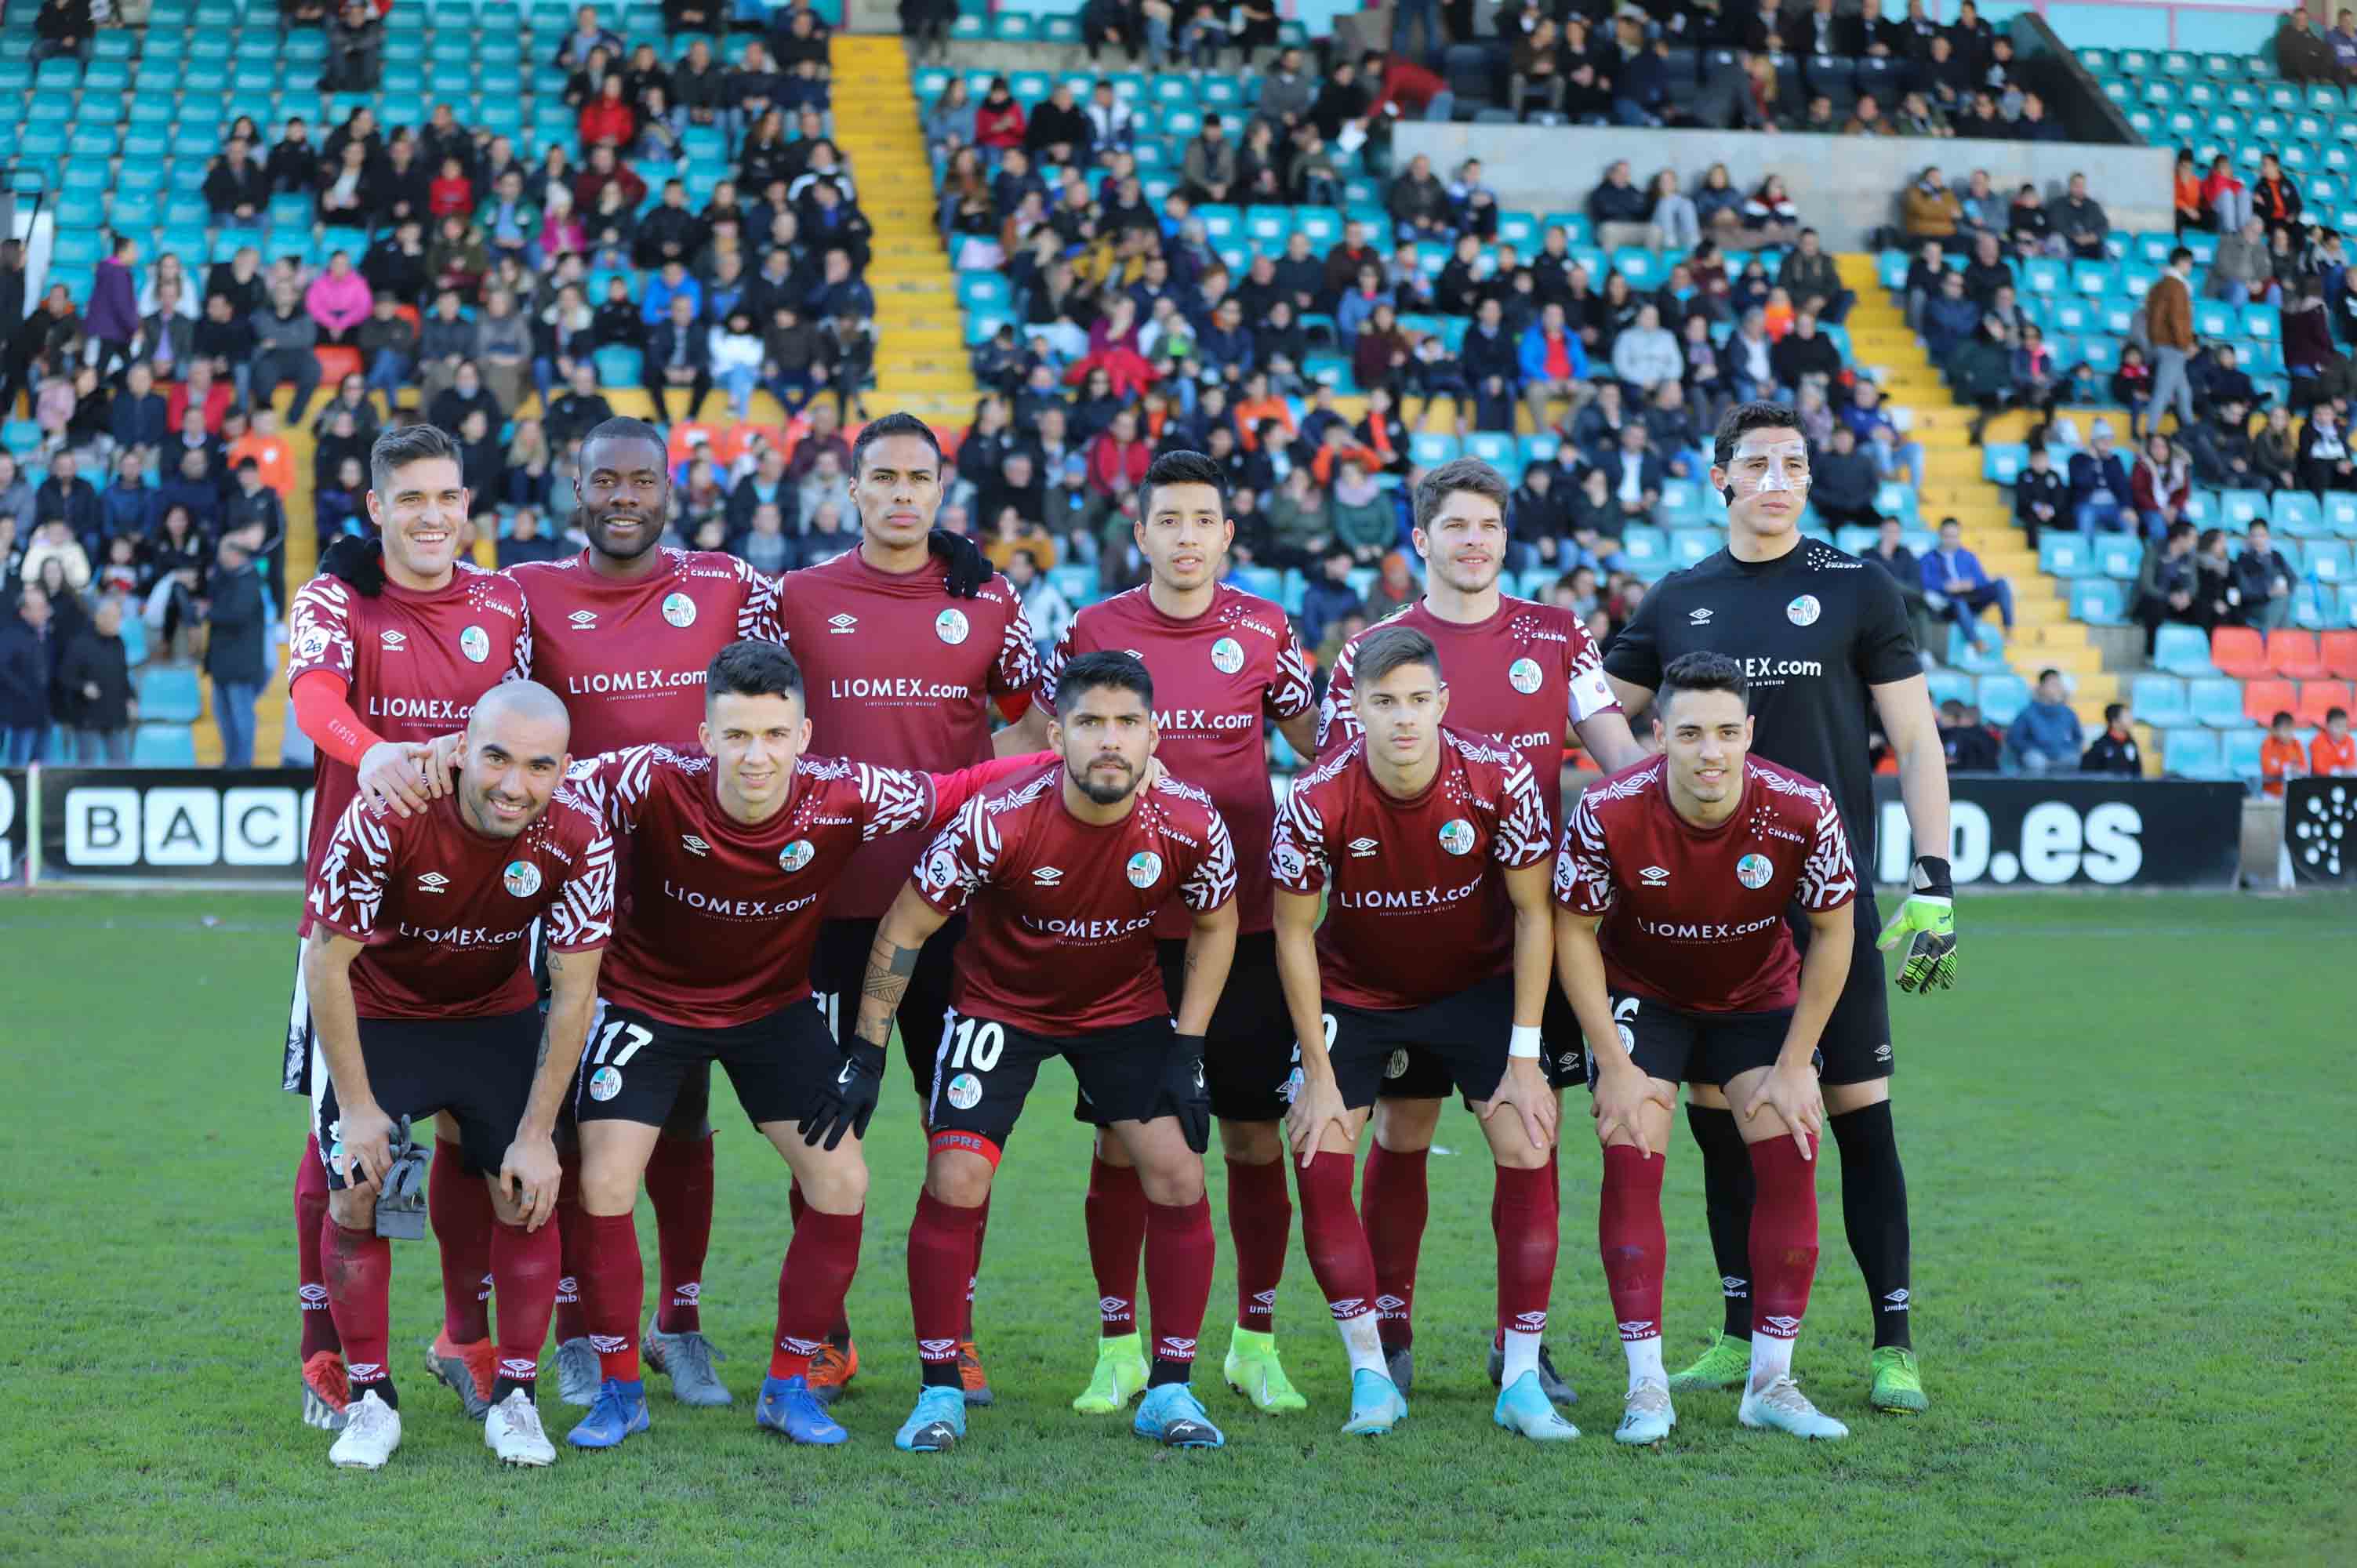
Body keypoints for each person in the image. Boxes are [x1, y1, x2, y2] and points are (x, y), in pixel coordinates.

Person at [558, 640, 1048, 1452]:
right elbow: (536, 776)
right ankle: (618, 1392)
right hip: (649, 1003)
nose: (757, 755)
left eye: (776, 735)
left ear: (805, 734)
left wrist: (1062, 760)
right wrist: (431, 760)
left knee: (842, 1178)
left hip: (769, 1014)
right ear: (705, 735)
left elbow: (957, 787)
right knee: (606, 1180)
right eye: (739, 735)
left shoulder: (845, 793)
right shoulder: (648, 776)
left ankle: (788, 1385)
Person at [1602, 401, 1952, 1417]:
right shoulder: (1679, 598)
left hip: (1827, 912)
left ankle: (1892, 1341)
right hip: (1708, 921)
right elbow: (1599, 716)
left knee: (1859, 1122)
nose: (1775, 477)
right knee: (1725, 1124)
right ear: (1719, 478)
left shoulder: (1857, 586)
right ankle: (1735, 1329)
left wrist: (1931, 887)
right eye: (1754, 462)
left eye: (1792, 462)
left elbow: (1916, 742)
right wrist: (1639, 804)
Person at [1317, 457, 1645, 1400]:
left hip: (1520, 948)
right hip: (1396, 944)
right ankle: (1392, 1330)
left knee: (1528, 1132)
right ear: (1420, 540)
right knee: (1404, 1129)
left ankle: (1523, 1347)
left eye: (1488, 528)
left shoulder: (1557, 633)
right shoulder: (1376, 648)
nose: (1474, 543)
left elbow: (1618, 759)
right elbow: (1345, 792)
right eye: (1455, 527)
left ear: (1506, 539)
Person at [857, 651, 1240, 1454]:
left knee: (1177, 1172)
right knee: (956, 1173)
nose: (1110, 740)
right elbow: (904, 926)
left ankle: (1169, 1387)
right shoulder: (997, 816)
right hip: (1000, 1004)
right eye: (1091, 722)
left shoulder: (1190, 819)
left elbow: (1217, 920)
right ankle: (938, 1391)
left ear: (1153, 733)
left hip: (1122, 1009)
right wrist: (866, 1048)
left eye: (1127, 723)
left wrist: (1191, 1044)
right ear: (1056, 731)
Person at [1019, 452, 1320, 1417]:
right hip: (1122, 929)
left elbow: (1325, 750)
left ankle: (1255, 1341)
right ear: (1140, 533)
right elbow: (1044, 746)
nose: (1187, 536)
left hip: (1244, 925)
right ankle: (1119, 1345)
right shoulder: (1096, 628)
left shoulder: (1267, 627)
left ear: (1228, 535)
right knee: (1123, 1141)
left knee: (1250, 1136)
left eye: (1205, 520)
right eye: (1169, 520)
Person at [779, 414, 1038, 1408]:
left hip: (955, 915)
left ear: (941, 489)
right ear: (851, 489)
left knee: (958, 1136)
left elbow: (1037, 719)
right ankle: (823, 1337)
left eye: (917, 478)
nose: (900, 493)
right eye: (881, 477)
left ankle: (953, 1334)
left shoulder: (986, 596)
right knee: (820, 1135)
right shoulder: (796, 597)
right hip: (821, 913)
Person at [300, 680, 615, 1470]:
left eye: (539, 766)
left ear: (563, 766)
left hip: (491, 1014)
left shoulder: (582, 831)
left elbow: (575, 989)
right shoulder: (392, 807)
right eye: (496, 758)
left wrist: (540, 1133)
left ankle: (514, 1396)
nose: (514, 784)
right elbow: (325, 961)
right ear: (461, 747)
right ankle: (372, 1399)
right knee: (356, 1185)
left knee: (527, 1191)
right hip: (379, 1013)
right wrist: (362, 1106)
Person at [1271, 625, 1568, 1441]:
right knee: (1322, 1143)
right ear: (1356, 707)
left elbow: (1534, 910)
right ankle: (1372, 1370)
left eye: (1416, 700)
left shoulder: (1498, 775)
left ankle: (1519, 1378)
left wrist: (1525, 1057)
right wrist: (1318, 1069)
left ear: (1442, 700)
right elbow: (1294, 933)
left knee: (1529, 1135)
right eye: (1383, 702)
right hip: (1358, 991)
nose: (1403, 718)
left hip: (1475, 987)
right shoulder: (1316, 793)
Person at [1556, 650, 1858, 1443]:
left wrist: (1797, 1063)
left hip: (1755, 997)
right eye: (1690, 733)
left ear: (1750, 733)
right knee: (1630, 1135)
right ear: (1661, 734)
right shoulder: (1609, 808)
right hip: (1645, 998)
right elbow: (1572, 932)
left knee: (1792, 1135)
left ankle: (1771, 1378)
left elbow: (1834, 931)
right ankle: (1646, 1385)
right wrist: (1613, 1065)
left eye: (1728, 732)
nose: (1710, 751)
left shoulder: (1802, 805)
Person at [59, 592, 133, 764]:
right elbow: (65, 676)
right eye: (114, 618)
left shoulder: (119, 643)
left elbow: (123, 674)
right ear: (100, 618)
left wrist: (130, 697)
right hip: (88, 716)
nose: (118, 622)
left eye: (119, 617)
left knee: (121, 766)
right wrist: (83, 687)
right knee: (87, 766)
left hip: (115, 713)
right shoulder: (79, 644)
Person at [1921, 517, 2014, 651]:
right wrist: (1945, 586)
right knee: (1958, 601)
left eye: (1955, 536)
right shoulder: (1928, 558)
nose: (1951, 540)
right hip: (1948, 601)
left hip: (1972, 596)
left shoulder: (1967, 556)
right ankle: (1976, 642)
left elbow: (1982, 579)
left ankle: (2008, 631)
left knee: (2001, 583)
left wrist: (1972, 583)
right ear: (1940, 535)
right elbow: (1924, 582)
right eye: (1948, 536)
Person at [1, 582, 55, 764]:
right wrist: (25, 691)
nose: (45, 612)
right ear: (24, 612)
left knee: (43, 772)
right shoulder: (10, 635)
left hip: (43, 715)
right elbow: (4, 670)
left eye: (45, 607)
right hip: (19, 717)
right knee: (20, 771)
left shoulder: (46, 635)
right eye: (39, 608)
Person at [2145, 248, 2197, 435]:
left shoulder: (2157, 286)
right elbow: (2178, 319)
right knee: (2163, 392)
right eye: (2190, 263)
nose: (2191, 268)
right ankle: (2150, 433)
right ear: (2182, 262)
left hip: (2160, 342)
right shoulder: (2178, 286)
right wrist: (2186, 344)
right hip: (2173, 346)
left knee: (2184, 390)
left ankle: (2190, 427)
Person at [2004, 668, 2082, 773]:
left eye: (2058, 685)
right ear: (2041, 688)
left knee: (2074, 759)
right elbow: (2015, 739)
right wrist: (2032, 749)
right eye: (2052, 685)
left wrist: (2067, 748)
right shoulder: (2027, 713)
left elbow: (2077, 738)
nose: (2057, 689)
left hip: (2061, 755)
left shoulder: (2068, 713)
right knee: (2035, 761)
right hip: (2037, 756)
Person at [2079, 702, 2141, 775]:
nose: (2131, 719)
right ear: (2115, 722)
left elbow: (2137, 771)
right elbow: (2087, 773)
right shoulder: (2100, 746)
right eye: (2126, 716)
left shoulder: (2131, 743)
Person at [2260, 710, 2305, 797]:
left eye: (2290, 729)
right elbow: (2268, 771)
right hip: (2272, 793)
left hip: (2293, 791)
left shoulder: (2297, 744)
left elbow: (2304, 768)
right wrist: (2286, 768)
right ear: (2275, 731)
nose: (2289, 734)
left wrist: (2297, 770)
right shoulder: (2267, 745)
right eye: (2285, 730)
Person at [2312, 706, 2355, 777]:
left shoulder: (2350, 741)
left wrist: (2342, 771)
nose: (2342, 730)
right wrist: (2338, 771)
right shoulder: (2318, 741)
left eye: (2345, 726)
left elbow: (2351, 765)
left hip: (2344, 780)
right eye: (2338, 726)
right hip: (2323, 781)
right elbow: (2318, 768)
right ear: (2327, 726)